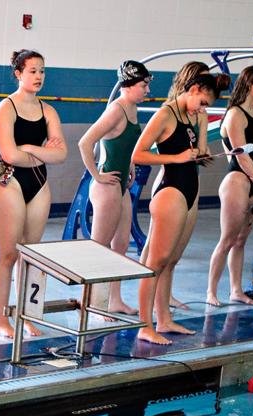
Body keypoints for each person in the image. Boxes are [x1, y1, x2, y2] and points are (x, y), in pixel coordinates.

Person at [132, 71, 224, 344]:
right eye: (203, 102)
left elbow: (199, 151)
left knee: (170, 261)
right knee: (154, 263)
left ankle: (163, 319)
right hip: (170, 191)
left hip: (188, 188)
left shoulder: (195, 116)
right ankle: (144, 325)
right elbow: (138, 154)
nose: (204, 108)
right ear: (193, 88)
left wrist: (203, 144)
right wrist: (177, 157)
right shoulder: (166, 114)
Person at [0, 49, 68, 339]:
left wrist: (32, 150)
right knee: (9, 254)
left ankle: (27, 315)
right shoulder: (6, 108)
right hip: (10, 183)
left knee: (32, 256)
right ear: (18, 74)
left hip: (39, 184)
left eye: (42, 71)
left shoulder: (49, 110)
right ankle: (1, 318)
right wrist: (42, 151)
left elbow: (62, 154)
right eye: (32, 71)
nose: (38, 76)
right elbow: (9, 154)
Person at [77, 60, 150, 316]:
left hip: (120, 185)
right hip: (107, 185)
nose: (147, 91)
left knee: (120, 245)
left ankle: (114, 299)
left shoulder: (132, 109)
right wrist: (96, 174)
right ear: (129, 85)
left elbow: (124, 144)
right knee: (100, 247)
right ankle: (93, 304)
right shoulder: (116, 110)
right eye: (144, 85)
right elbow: (85, 142)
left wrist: (130, 164)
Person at [206, 65, 253, 307]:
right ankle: (211, 291)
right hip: (238, 182)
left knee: (241, 241)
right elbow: (242, 156)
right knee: (227, 240)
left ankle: (236, 290)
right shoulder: (234, 115)